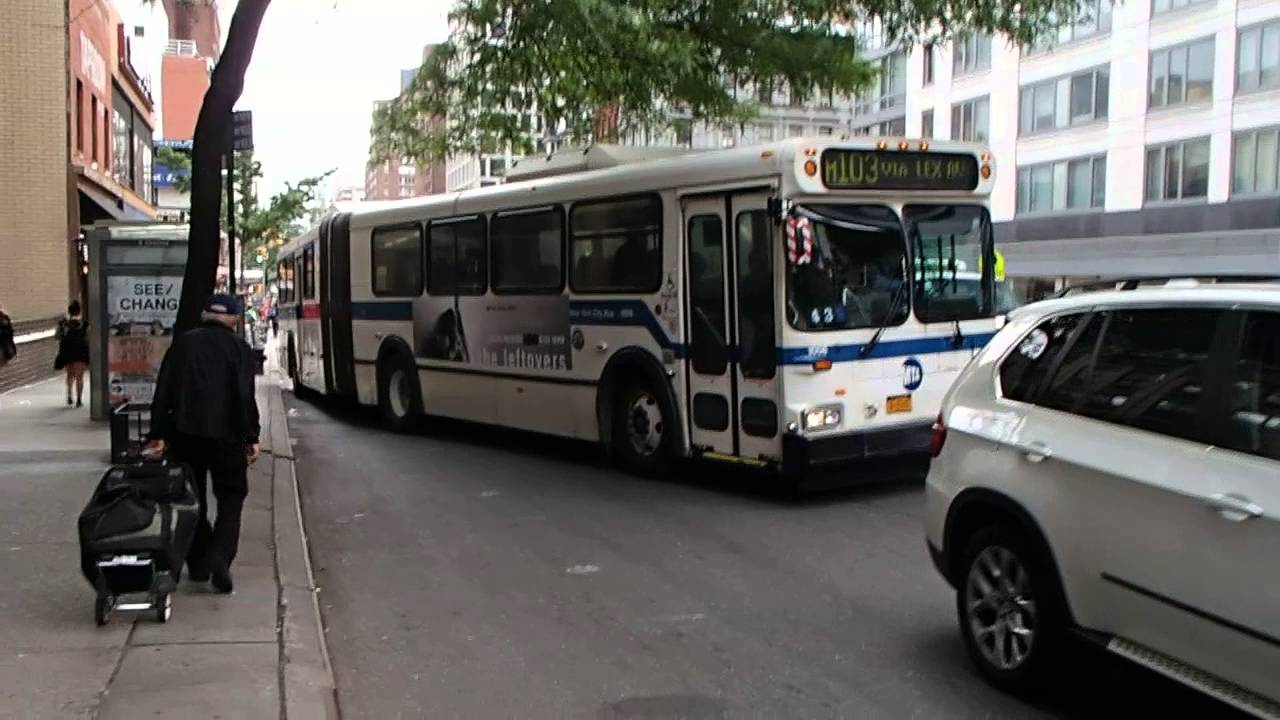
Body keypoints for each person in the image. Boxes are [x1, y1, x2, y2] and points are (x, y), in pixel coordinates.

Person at [146, 293, 261, 593]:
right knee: (232, 497)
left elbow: (165, 390)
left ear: (203, 314)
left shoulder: (183, 344)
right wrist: (251, 436)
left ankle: (198, 562)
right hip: (227, 436)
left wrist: (157, 434)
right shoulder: (239, 348)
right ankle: (220, 555)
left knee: (191, 499)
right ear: (235, 319)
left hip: (185, 435)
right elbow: (244, 396)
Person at [55, 301, 90, 407]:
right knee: (80, 376)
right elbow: (88, 338)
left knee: (69, 374)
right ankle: (79, 400)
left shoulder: (63, 323)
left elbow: (57, 336)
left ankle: (70, 394)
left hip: (67, 351)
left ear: (69, 311)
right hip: (80, 351)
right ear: (79, 311)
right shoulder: (85, 324)